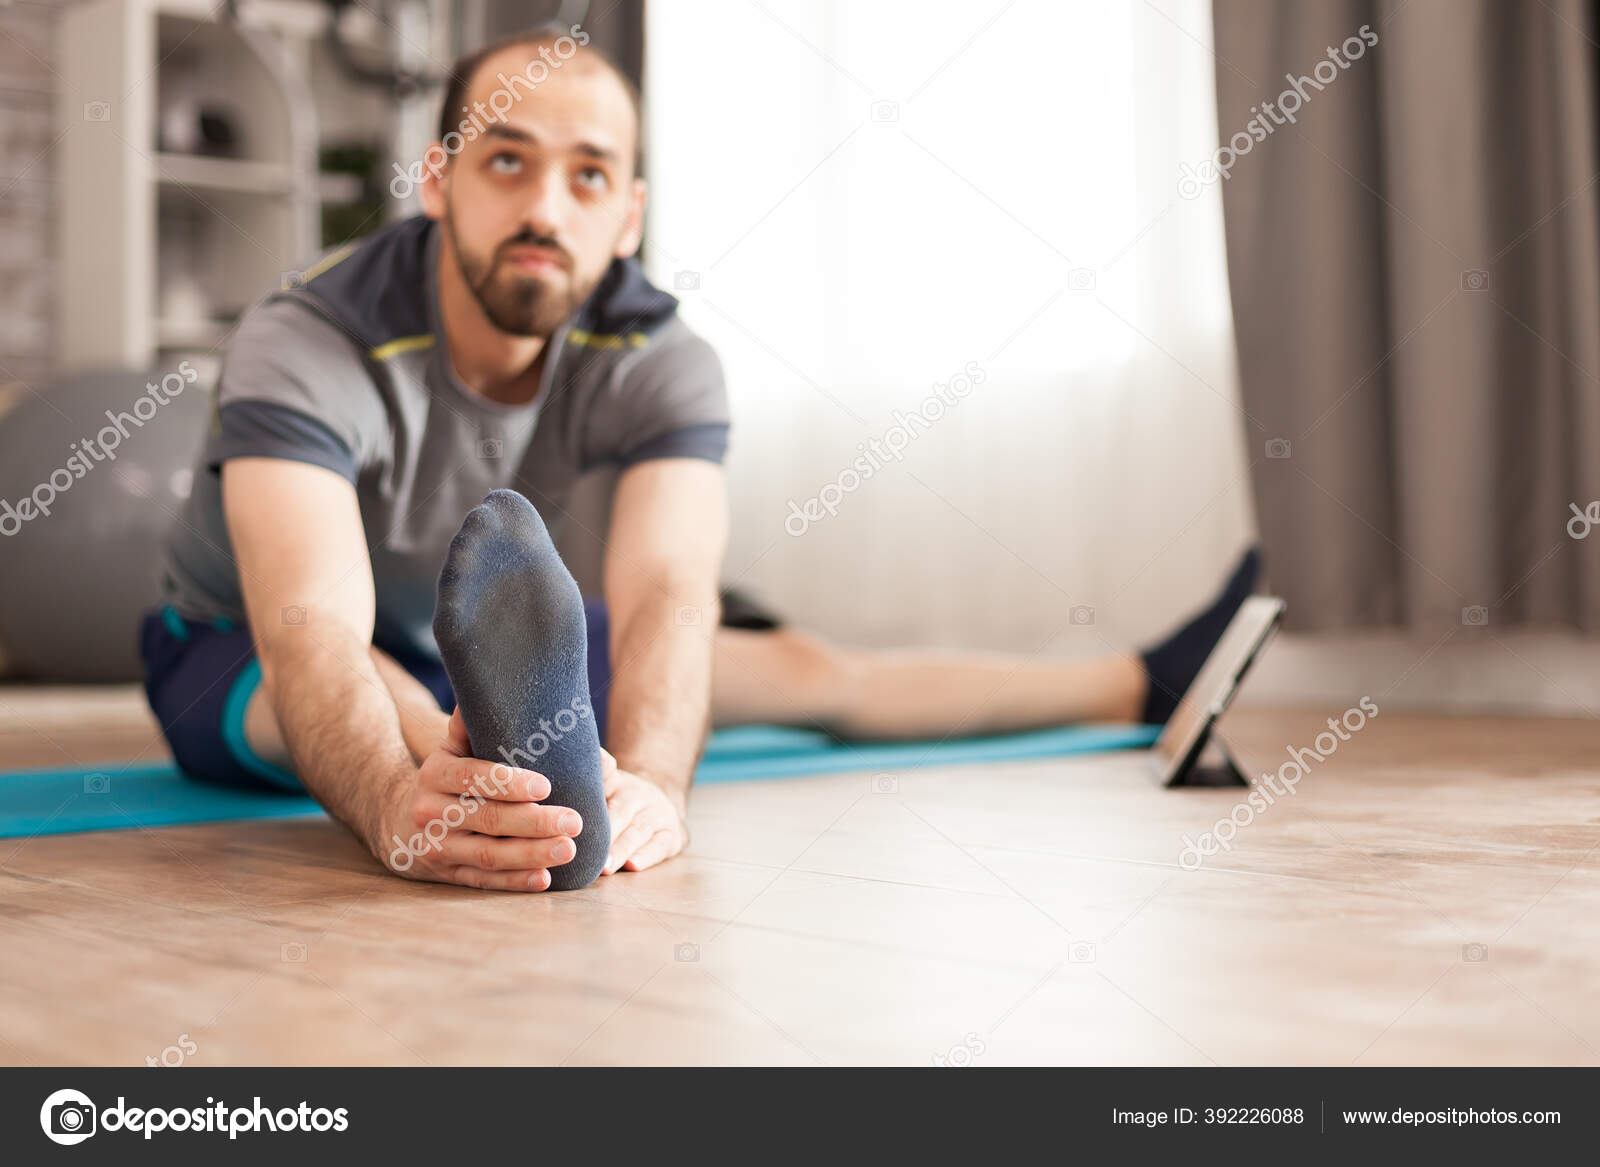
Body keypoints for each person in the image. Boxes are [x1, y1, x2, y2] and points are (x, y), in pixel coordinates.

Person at [140, 28, 1258, 893]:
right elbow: (310, 629)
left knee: (801, 665)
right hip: (244, 648)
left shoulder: (659, 354)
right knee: (371, 681)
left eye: (587, 176)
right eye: (507, 161)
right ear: (436, 180)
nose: (544, 208)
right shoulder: (311, 337)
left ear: (628, 214)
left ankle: (1141, 680)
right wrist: (397, 803)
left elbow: (669, 591)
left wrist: (656, 785)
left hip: (470, 641)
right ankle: (479, 755)